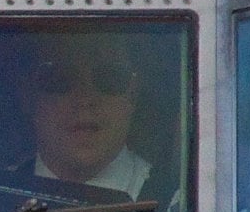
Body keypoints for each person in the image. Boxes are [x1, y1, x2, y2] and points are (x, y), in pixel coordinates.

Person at [18, 30, 152, 197]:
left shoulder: (184, 208)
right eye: (60, 77)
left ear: (133, 94)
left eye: (109, 77)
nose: (85, 99)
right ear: (29, 95)